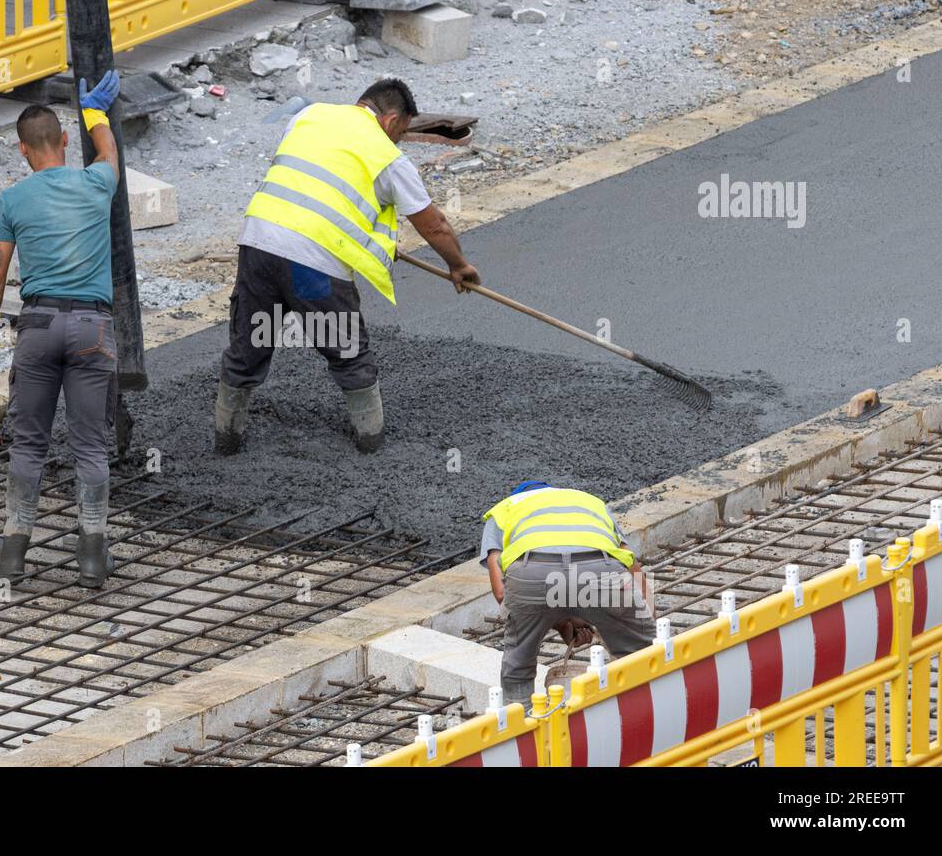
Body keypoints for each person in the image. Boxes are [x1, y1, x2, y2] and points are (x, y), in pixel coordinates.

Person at [214, 78, 480, 455]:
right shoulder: (386, 156)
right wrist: (459, 265)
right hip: (313, 263)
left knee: (250, 343)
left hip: (258, 244)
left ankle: (225, 442)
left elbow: (319, 180)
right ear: (390, 121)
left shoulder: (310, 116)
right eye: (401, 133)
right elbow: (435, 224)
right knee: (347, 349)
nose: (399, 141)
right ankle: (371, 444)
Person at [0, 71, 121, 589]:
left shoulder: (12, 201)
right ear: (62, 142)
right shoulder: (97, 183)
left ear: (21, 150)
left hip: (37, 326)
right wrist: (94, 113)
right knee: (90, 444)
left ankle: (13, 549)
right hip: (91, 330)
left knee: (29, 442)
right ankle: (93, 555)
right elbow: (109, 155)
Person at [480, 480, 656, 703]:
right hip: (600, 570)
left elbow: (501, 593)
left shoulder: (504, 509)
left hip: (532, 573)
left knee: (518, 666)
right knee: (643, 656)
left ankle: (520, 723)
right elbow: (632, 566)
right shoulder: (590, 502)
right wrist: (643, 625)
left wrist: (557, 618)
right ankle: (646, 714)